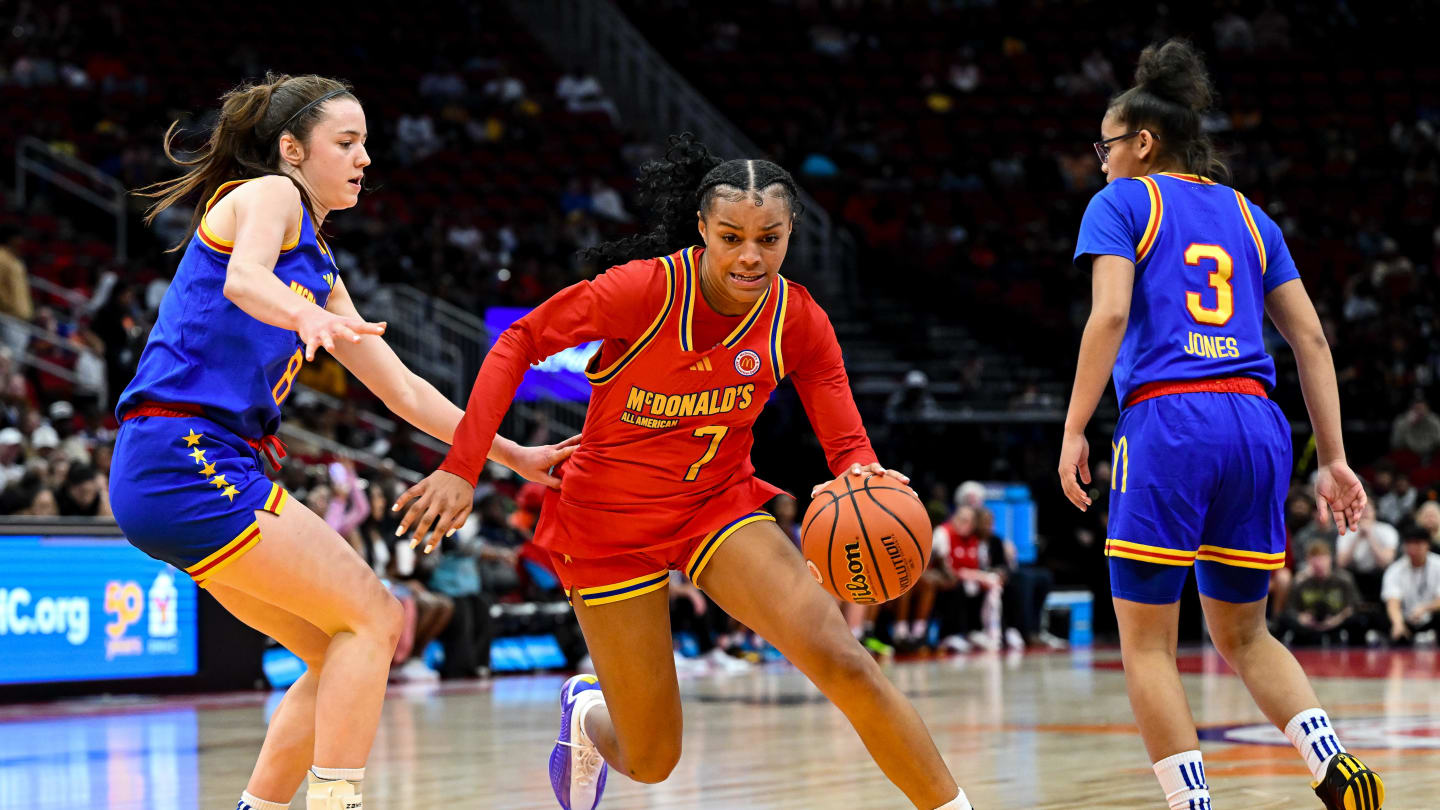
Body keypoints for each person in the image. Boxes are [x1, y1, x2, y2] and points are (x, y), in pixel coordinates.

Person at [394, 133, 972, 810]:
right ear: (703, 230)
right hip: (608, 526)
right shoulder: (642, 290)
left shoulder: (798, 318)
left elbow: (846, 440)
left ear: (791, 235)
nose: (750, 255)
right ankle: (586, 712)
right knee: (651, 757)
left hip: (715, 510)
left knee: (846, 660)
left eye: (769, 237)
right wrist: (463, 466)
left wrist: (863, 475)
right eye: (731, 236)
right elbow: (520, 340)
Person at [108, 73, 575, 810]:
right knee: (377, 618)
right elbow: (245, 281)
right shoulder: (270, 195)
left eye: (366, 144)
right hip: (183, 455)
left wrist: (510, 455)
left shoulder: (320, 266)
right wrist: (306, 321)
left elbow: (404, 392)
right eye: (346, 142)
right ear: (292, 150)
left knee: (336, 649)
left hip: (187, 467)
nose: (363, 158)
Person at [1058, 40, 1383, 810]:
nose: (1099, 162)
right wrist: (1333, 458)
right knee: (1245, 634)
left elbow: (1107, 314)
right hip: (1258, 424)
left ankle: (1194, 805)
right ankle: (1329, 760)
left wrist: (1074, 428)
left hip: (1170, 421)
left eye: (1104, 146)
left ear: (1141, 141)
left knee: (1147, 646)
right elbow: (1309, 339)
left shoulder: (1122, 202)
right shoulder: (1250, 214)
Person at [1278, 541, 1366, 646]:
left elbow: (1355, 606)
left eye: (1322, 558)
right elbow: (1289, 609)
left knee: (1359, 620)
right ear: (1308, 561)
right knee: (1283, 620)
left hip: (1337, 623)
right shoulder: (1301, 582)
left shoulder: (1344, 580)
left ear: (1330, 559)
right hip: (1308, 628)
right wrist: (1301, 617)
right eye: (1315, 559)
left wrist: (1337, 619)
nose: (1319, 564)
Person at [1380, 524, 1440, 646]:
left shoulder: (1438, 565)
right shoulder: (1395, 570)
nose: (1413, 548)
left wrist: (1425, 608)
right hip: (1407, 618)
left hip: (1432, 617)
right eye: (1409, 543)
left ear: (1427, 545)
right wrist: (1398, 623)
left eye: (1418, 543)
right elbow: (1392, 602)